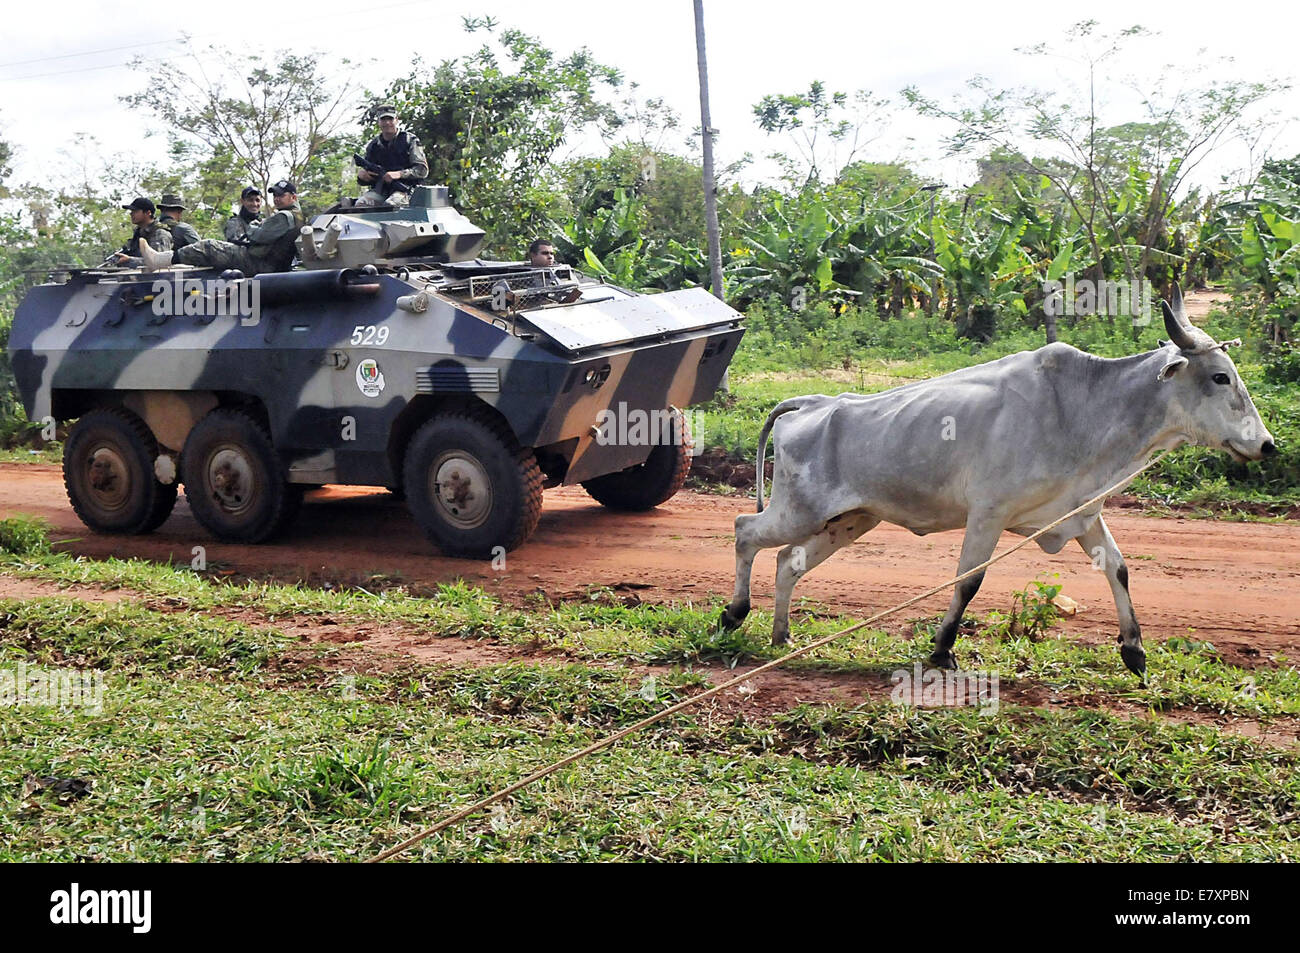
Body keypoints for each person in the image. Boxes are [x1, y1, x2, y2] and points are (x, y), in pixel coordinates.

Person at [139, 180, 304, 275]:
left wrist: (253, 227)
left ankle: (160, 261)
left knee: (208, 246)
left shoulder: (285, 216)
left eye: (281, 195)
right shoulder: (296, 216)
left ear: (293, 197)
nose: (276, 199)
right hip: (269, 262)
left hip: (262, 263)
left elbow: (256, 236)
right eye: (274, 195)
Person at [355, 105, 428, 208]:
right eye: (383, 119)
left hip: (406, 190)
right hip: (381, 190)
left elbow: (422, 170)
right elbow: (368, 175)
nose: (387, 123)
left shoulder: (409, 140)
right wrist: (362, 177)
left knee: (390, 205)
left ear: (396, 120)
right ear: (379, 122)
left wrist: (399, 174)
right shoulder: (374, 145)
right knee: (361, 204)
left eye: (390, 119)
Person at [114, 197, 172, 266]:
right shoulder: (138, 233)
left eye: (135, 211)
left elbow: (160, 262)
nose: (131, 214)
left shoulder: (161, 233)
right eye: (131, 211)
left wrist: (130, 260)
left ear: (148, 213)